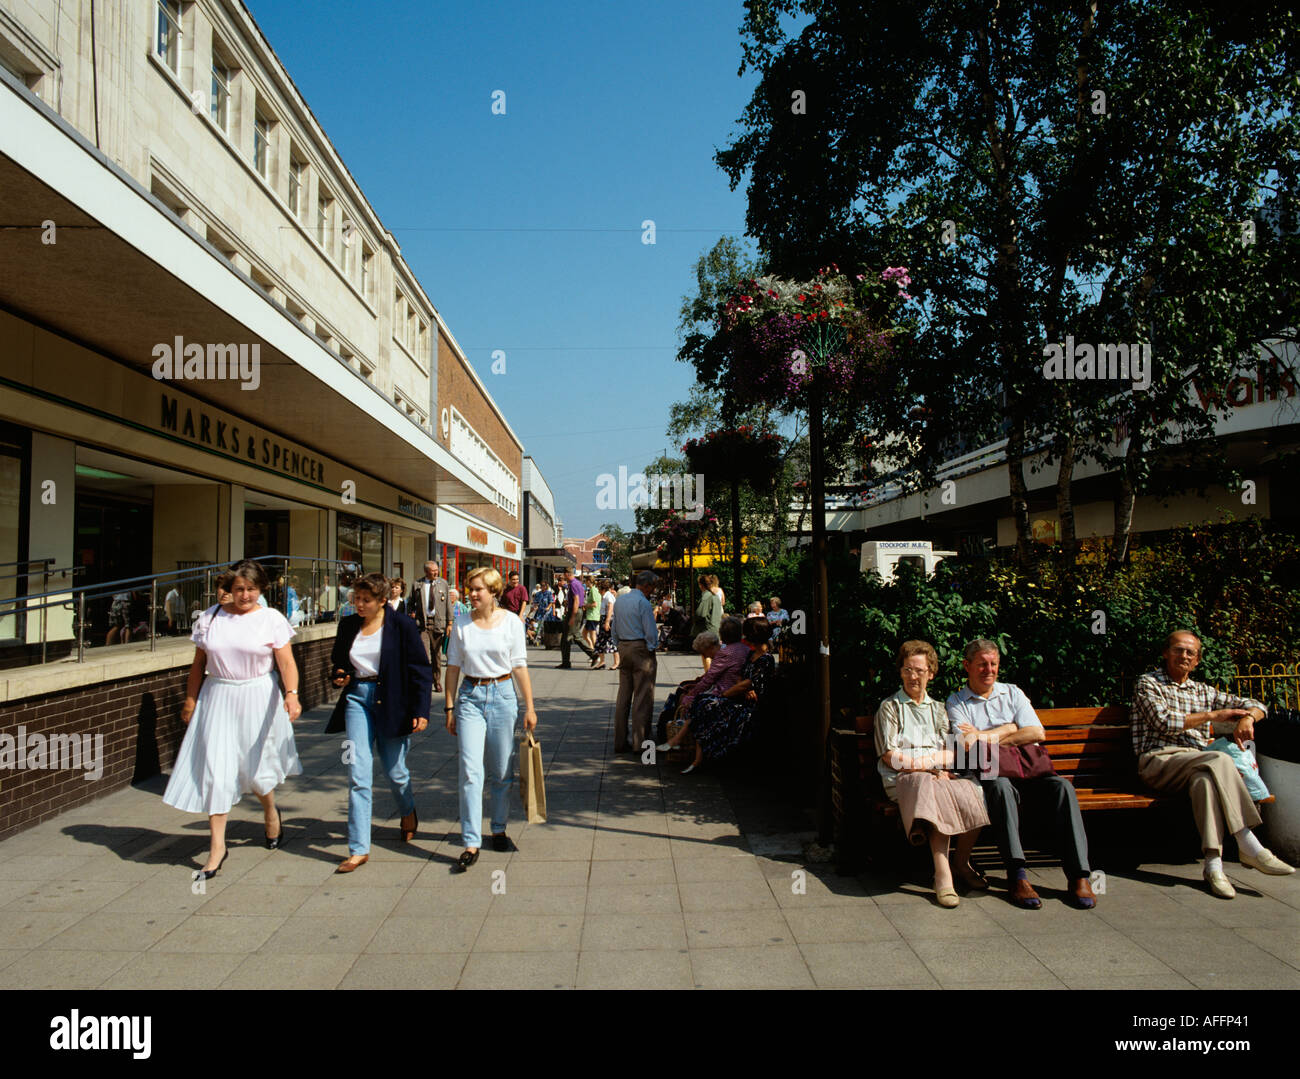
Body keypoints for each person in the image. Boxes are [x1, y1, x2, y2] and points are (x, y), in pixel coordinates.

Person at [163, 561, 302, 878]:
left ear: (261, 590)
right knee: (216, 769)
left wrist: (291, 694)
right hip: (218, 696)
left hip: (258, 696)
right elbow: (199, 664)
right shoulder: (210, 618)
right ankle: (217, 847)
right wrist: (190, 699)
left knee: (255, 769)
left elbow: (286, 662)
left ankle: (270, 812)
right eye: (239, 589)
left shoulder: (271, 619)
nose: (245, 595)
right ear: (229, 589)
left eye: (251, 589)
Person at [1131, 629, 1293, 898]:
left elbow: (1257, 704)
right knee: (1218, 757)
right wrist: (1213, 715)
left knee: (1205, 781)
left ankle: (1213, 865)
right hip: (1158, 762)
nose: (1184, 655)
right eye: (1178, 649)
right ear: (1165, 653)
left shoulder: (1201, 690)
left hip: (1197, 764)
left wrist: (1248, 718)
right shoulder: (1148, 684)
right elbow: (1163, 721)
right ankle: (1249, 844)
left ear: (1197, 661)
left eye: (1190, 652)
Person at [946, 639, 1096, 910]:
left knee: (1063, 787)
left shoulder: (1013, 693)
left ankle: (1079, 876)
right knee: (1001, 788)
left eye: (993, 664)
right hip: (993, 775)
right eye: (981, 664)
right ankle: (1017, 875)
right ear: (967, 666)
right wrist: (1009, 728)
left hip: (1030, 771)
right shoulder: (957, 702)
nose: (988, 670)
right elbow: (967, 744)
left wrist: (986, 737)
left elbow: (1037, 733)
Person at [326, 572, 432, 873]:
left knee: (395, 771)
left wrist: (421, 710)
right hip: (357, 699)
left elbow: (420, 670)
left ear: (382, 600)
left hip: (392, 701)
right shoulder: (348, 625)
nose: (359, 605)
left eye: (366, 600)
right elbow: (339, 662)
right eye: (356, 599)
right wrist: (340, 675)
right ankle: (359, 849)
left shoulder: (402, 626)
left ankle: (408, 809)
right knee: (358, 771)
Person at [876, 641, 989, 908]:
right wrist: (926, 766)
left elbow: (950, 753)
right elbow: (889, 756)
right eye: (907, 670)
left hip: (936, 774)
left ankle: (961, 861)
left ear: (931, 672)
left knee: (974, 789)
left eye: (919, 670)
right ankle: (943, 874)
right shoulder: (890, 707)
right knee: (931, 788)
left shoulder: (938, 709)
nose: (913, 676)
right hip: (902, 777)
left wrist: (938, 767)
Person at [445, 566, 537, 870]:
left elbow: (520, 666)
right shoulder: (461, 624)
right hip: (470, 696)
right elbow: (453, 667)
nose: (471, 594)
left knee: (501, 769)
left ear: (493, 592)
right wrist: (449, 707)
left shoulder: (511, 623)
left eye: (477, 589)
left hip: (502, 694)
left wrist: (530, 707)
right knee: (470, 770)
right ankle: (471, 840)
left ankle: (498, 828)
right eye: (470, 589)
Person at [672, 618, 776, 775]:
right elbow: (743, 678)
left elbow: (749, 682)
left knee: (704, 704)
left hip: (751, 707)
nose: (744, 637)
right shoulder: (751, 654)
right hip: (741, 699)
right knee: (702, 703)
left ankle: (695, 755)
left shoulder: (766, 658)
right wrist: (745, 688)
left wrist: (726, 694)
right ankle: (697, 757)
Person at [609, 570, 659, 752]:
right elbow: (650, 630)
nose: (653, 590)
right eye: (653, 587)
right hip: (640, 648)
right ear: (646, 586)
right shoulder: (643, 603)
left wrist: (618, 644)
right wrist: (652, 647)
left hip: (624, 646)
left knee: (624, 695)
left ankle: (620, 741)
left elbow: (614, 628)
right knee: (643, 696)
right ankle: (641, 742)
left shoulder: (621, 601)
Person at [407, 561, 452, 695]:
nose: (436, 573)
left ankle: (436, 680)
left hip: (438, 623)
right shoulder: (418, 584)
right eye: (433, 571)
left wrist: (450, 623)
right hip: (423, 624)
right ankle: (424, 681)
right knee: (425, 655)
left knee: (436, 655)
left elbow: (448, 604)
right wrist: (411, 614)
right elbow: (410, 603)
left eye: (437, 570)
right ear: (426, 571)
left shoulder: (443, 583)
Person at [556, 567, 596, 669]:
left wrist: (572, 616)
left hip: (575, 612)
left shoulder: (573, 584)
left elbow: (577, 601)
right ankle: (566, 662)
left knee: (575, 636)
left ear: (568, 574)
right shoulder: (578, 584)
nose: (564, 579)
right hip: (576, 611)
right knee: (566, 637)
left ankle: (593, 655)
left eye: (564, 577)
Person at [692, 575, 723, 671]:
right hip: (716, 628)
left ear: (701, 585)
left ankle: (708, 676)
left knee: (706, 654)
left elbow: (700, 613)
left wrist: (694, 618)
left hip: (707, 629)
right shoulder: (715, 596)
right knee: (714, 655)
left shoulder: (706, 596)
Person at [592, 580, 619, 670]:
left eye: (599, 589)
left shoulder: (608, 596)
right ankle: (602, 662)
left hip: (608, 619)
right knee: (601, 641)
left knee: (611, 640)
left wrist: (607, 622)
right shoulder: (605, 596)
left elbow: (610, 608)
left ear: (602, 589)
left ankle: (617, 662)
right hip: (604, 618)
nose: (598, 591)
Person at [582, 576, 601, 653]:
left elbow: (595, 604)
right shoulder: (594, 589)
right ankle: (592, 650)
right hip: (591, 615)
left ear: (589, 581)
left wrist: (585, 605)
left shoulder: (593, 590)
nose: (585, 583)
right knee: (584, 634)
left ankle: (597, 653)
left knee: (592, 635)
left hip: (592, 615)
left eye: (585, 581)